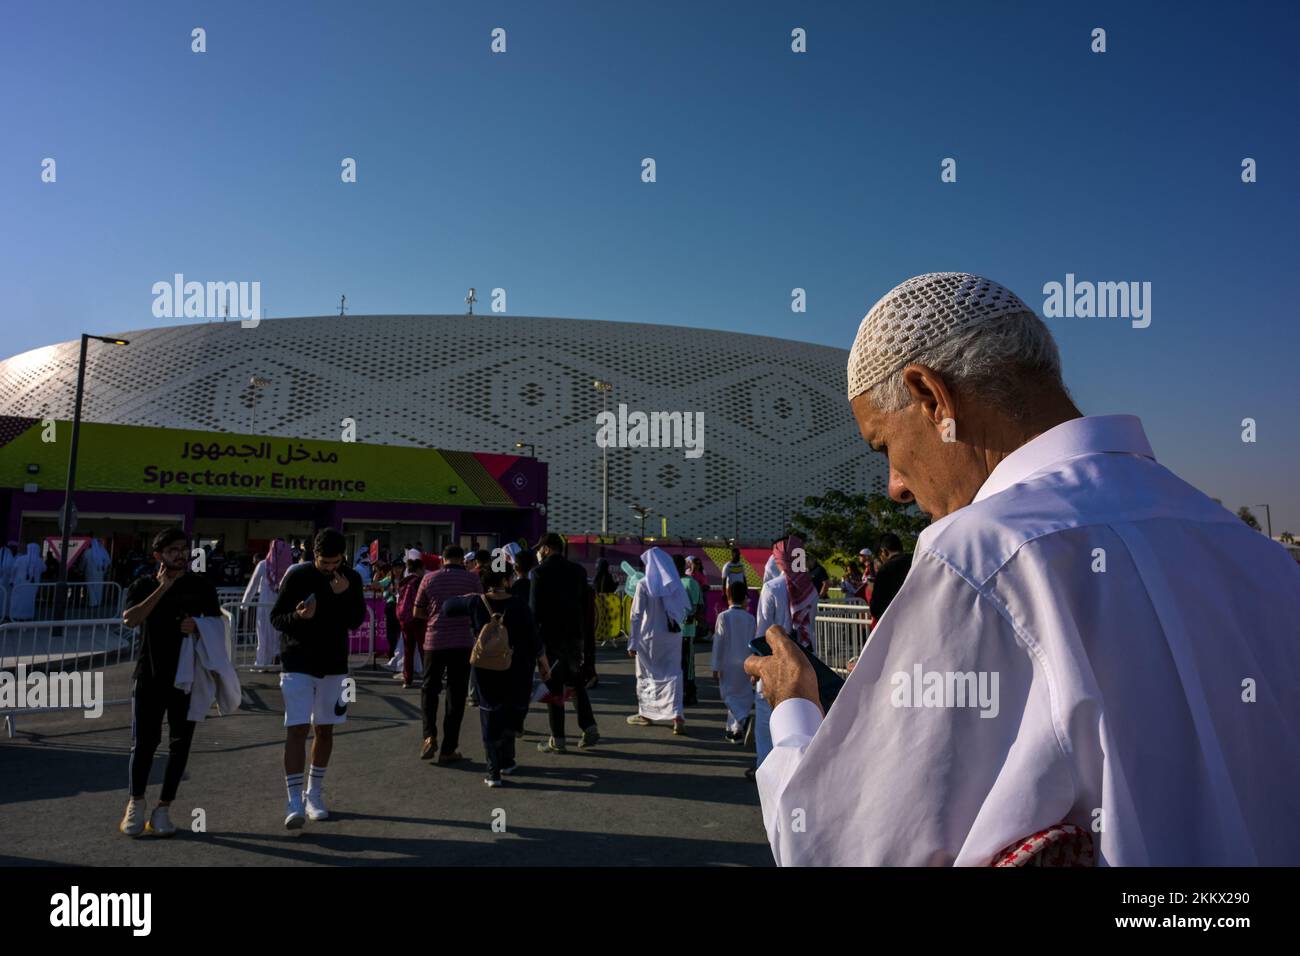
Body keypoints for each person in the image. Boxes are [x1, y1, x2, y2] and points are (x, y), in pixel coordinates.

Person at [746, 271, 1300, 866]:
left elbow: (835, 849)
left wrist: (794, 709)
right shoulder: (1257, 555)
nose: (896, 488)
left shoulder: (977, 560)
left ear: (932, 398)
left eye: (884, 447)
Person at [119, 528, 221, 837]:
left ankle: (163, 809)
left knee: (180, 744)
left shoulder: (201, 586)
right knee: (144, 743)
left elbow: (218, 625)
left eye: (183, 548)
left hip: (186, 679)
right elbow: (131, 619)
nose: (180, 554)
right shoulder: (144, 584)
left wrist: (199, 626)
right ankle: (135, 803)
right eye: (173, 549)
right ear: (158, 556)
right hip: (149, 675)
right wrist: (162, 589)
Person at [270, 527, 366, 829]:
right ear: (315, 556)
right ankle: (294, 799)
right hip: (297, 660)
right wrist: (298, 617)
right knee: (296, 728)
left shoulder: (351, 579)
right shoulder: (298, 576)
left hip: (334, 663)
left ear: (343, 558)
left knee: (325, 730)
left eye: (336, 562)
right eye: (325, 563)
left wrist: (344, 594)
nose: (330, 568)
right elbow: (276, 618)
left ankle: (315, 794)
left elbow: (356, 621)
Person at [441, 567, 545, 786]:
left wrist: (470, 597)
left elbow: (447, 608)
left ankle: (493, 772)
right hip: (516, 667)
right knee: (510, 712)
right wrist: (543, 664)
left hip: (485, 668)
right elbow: (534, 637)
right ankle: (508, 761)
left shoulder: (476, 602)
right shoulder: (519, 604)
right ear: (506, 581)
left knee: (489, 715)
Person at [750, 536, 817, 778]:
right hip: (806, 661)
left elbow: (762, 631)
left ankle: (767, 770)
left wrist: (756, 666)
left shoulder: (772, 587)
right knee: (800, 717)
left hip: (777, 661)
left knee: (767, 718)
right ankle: (794, 771)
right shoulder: (809, 588)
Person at [530, 533, 598, 752]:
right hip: (574, 637)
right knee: (576, 682)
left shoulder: (538, 573)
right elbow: (586, 607)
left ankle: (557, 739)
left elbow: (534, 611)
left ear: (548, 548)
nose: (539, 552)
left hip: (549, 639)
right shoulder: (578, 571)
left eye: (540, 548)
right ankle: (589, 727)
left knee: (554, 688)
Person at [413, 545, 481, 763]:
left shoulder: (429, 578)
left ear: (443, 559)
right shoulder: (472, 580)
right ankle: (448, 749)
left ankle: (429, 736)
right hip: (462, 643)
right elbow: (479, 607)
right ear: (462, 560)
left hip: (434, 642)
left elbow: (417, 611)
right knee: (456, 695)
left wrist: (434, 616)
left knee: (429, 689)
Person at [626, 547, 689, 734]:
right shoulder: (673, 583)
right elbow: (682, 609)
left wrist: (632, 642)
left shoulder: (644, 584)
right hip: (672, 637)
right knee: (673, 675)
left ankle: (646, 714)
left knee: (646, 675)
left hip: (649, 638)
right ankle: (677, 716)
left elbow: (636, 615)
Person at [711, 580, 756, 743]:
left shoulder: (723, 617)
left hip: (727, 663)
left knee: (729, 696)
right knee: (742, 695)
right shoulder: (750, 618)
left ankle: (743, 719)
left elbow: (719, 642)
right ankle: (735, 729)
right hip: (746, 662)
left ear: (728, 596)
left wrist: (715, 666)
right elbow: (753, 642)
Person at [242, 538, 292, 670]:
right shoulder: (288, 567)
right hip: (282, 608)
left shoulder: (263, 565)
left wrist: (244, 604)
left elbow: (252, 586)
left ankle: (262, 663)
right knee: (279, 636)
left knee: (263, 636)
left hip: (265, 607)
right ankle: (278, 662)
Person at [675, 553, 704, 706]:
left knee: (687, 664)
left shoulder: (690, 583)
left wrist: (691, 618)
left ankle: (690, 693)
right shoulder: (679, 582)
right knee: (681, 664)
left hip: (685, 631)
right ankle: (683, 692)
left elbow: (695, 608)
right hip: (676, 632)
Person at [393, 556, 425, 687]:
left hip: (404, 619)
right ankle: (427, 677)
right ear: (419, 569)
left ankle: (407, 679)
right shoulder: (418, 581)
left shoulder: (403, 581)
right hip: (417, 618)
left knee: (408, 650)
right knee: (424, 649)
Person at [867, 532, 912, 622]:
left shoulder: (885, 570)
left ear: (884, 552)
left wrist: (872, 589)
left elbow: (876, 608)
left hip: (897, 624)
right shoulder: (916, 560)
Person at [7, 543, 43, 620]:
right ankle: (26, 617)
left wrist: (11, 580)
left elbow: (13, 570)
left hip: (19, 584)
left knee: (18, 601)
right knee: (29, 602)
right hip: (32, 586)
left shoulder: (20, 559)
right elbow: (44, 568)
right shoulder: (39, 560)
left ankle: (15, 617)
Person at [81, 536, 112, 607]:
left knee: (91, 587)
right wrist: (105, 571)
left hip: (89, 573)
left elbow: (83, 562)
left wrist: (81, 569)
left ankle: (93, 603)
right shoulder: (103, 552)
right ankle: (98, 602)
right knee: (98, 587)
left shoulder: (87, 552)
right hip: (100, 573)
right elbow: (108, 562)